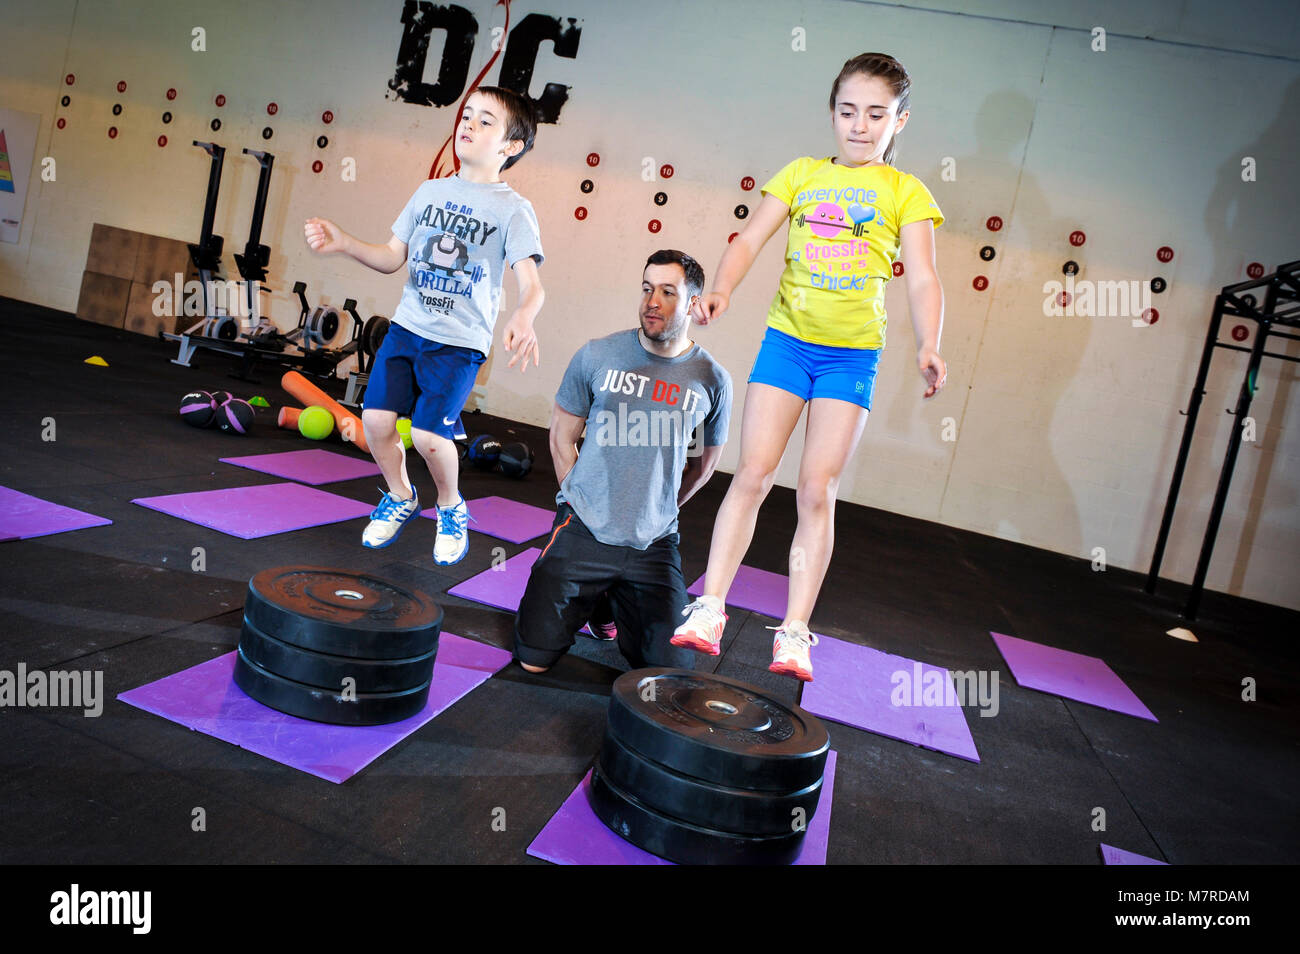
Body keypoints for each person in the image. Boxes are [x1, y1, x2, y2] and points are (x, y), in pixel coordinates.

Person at [672, 52, 947, 681]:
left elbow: (925, 278)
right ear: (832, 112)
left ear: (899, 121)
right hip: (787, 344)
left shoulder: (906, 192)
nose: (859, 125)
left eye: (876, 114)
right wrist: (723, 288)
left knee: (817, 489)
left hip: (851, 357)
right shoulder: (800, 175)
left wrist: (929, 343)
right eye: (848, 111)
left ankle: (794, 632)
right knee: (754, 474)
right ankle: (709, 605)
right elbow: (748, 239)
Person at [304, 86, 545, 565]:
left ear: (510, 146)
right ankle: (400, 495)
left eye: (485, 122)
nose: (469, 125)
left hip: (458, 344)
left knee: (434, 437)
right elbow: (393, 256)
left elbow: (532, 284)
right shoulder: (430, 191)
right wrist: (344, 242)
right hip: (407, 330)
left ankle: (451, 505)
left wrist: (523, 314)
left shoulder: (512, 209)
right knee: (373, 422)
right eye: (467, 116)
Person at [514, 250, 733, 673]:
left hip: (653, 544)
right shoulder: (598, 355)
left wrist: (659, 507)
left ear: (691, 303)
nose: (653, 300)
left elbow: (704, 465)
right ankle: (598, 601)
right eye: (648, 288)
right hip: (583, 529)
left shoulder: (711, 379)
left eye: (668, 292)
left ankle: (608, 599)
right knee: (532, 662)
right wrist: (578, 501)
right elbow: (561, 436)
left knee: (669, 675)